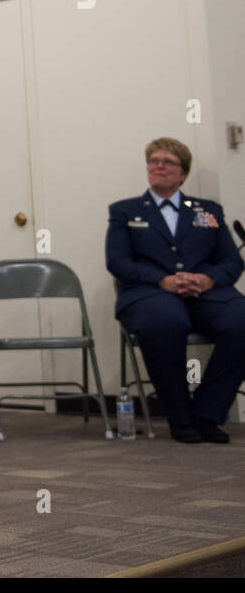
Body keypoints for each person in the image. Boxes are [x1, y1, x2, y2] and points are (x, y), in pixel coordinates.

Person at [105, 137, 245, 443]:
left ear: (183, 173)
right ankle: (180, 418)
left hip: (203, 293)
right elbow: (117, 261)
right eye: (153, 161)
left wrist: (208, 279)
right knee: (167, 321)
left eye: (167, 162)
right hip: (147, 293)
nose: (158, 166)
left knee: (241, 319)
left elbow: (231, 262)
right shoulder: (125, 211)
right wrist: (161, 280)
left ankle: (208, 414)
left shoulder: (207, 211)